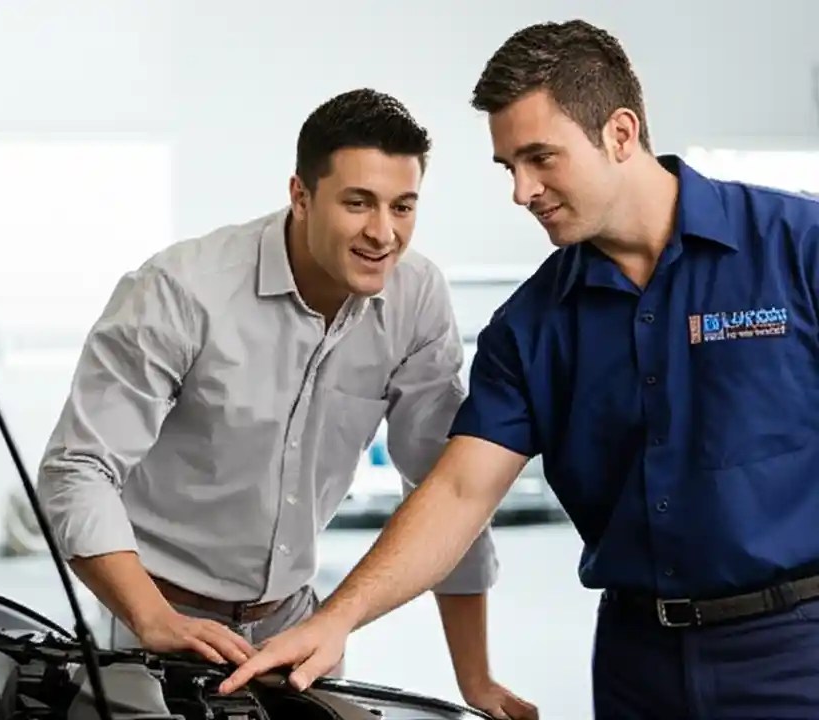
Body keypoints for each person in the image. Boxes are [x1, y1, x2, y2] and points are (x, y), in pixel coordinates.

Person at [220, 17, 819, 720]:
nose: (522, 190)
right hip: (637, 663)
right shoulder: (531, 325)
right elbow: (459, 493)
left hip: (796, 650)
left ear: (620, 134)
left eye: (541, 158)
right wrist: (336, 619)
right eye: (510, 166)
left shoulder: (796, 248)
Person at [35, 88, 532, 715]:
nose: (383, 233)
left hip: (296, 627)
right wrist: (150, 616)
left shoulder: (416, 297)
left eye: (403, 207)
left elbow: (448, 488)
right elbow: (77, 468)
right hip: (155, 620)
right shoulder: (181, 290)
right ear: (301, 195)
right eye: (358, 202)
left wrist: (475, 678)